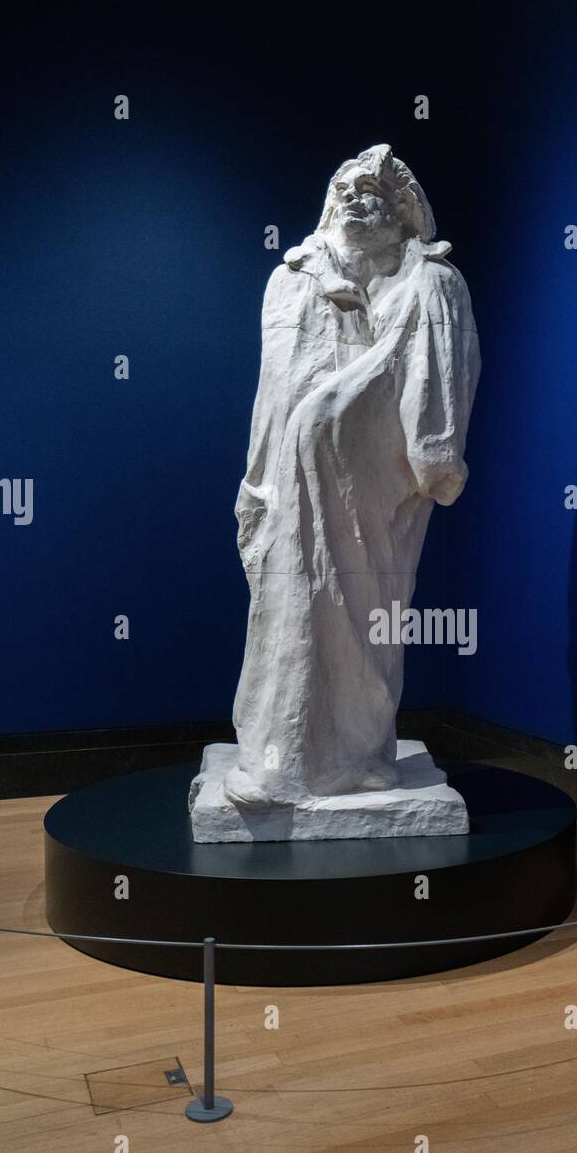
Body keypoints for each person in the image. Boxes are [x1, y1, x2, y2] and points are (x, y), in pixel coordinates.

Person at [221, 145, 480, 808]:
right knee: (291, 604)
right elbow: (272, 391)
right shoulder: (293, 279)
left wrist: (435, 460)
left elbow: (442, 384)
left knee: (367, 609)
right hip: (291, 485)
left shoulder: (433, 282)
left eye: (379, 194)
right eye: (351, 191)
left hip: (375, 485)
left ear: (403, 211)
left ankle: (358, 755)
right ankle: (284, 756)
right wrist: (257, 481)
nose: (363, 202)